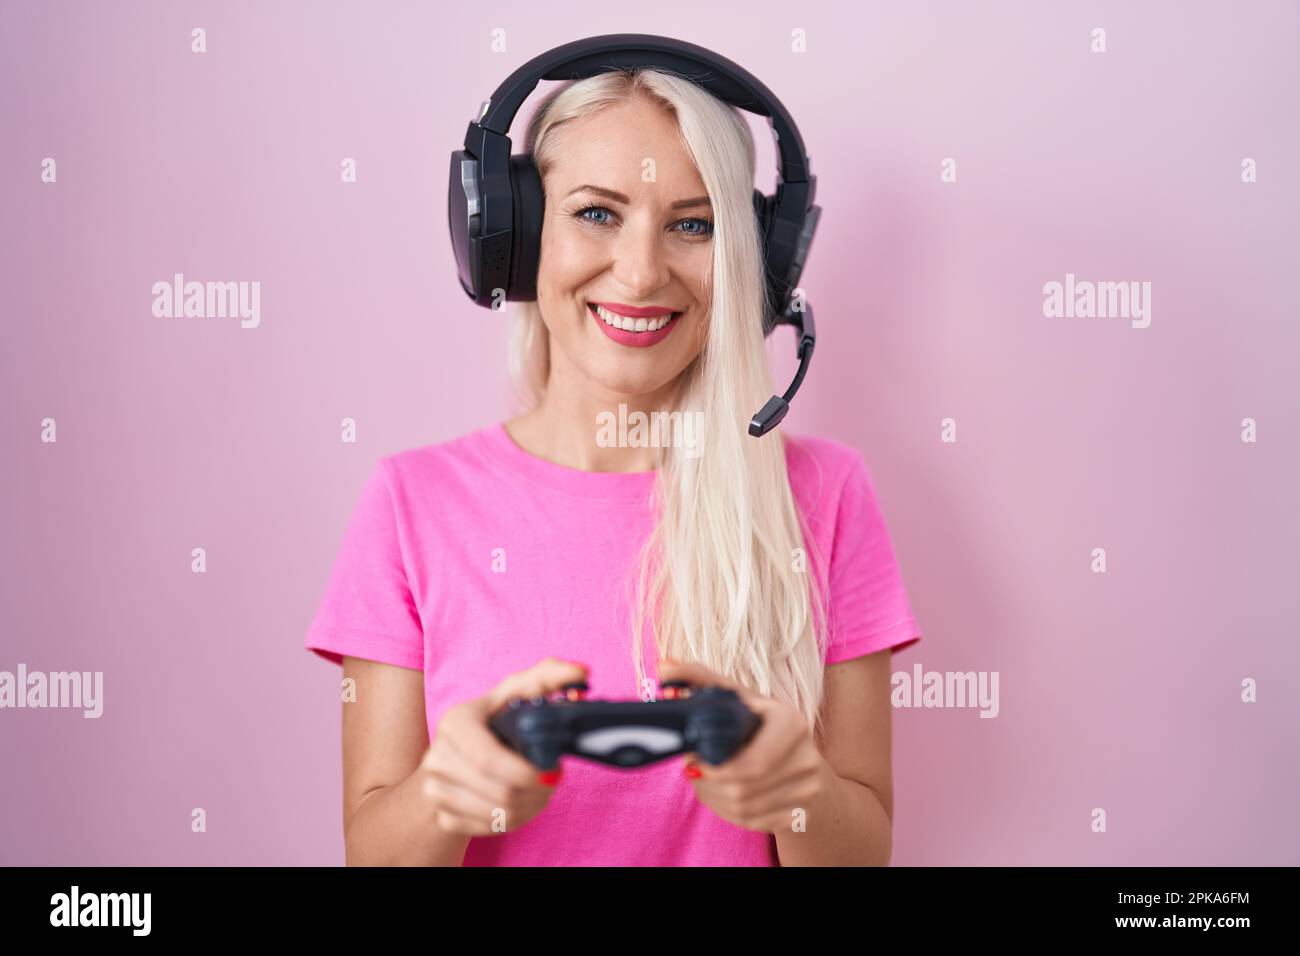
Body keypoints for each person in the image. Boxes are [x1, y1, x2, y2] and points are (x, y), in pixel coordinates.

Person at [305, 66, 922, 866]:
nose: (640, 272)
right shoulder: (409, 502)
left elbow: (863, 854)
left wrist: (798, 795)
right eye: (597, 213)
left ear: (750, 258)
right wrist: (444, 796)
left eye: (693, 226)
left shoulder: (826, 495)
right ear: (514, 239)